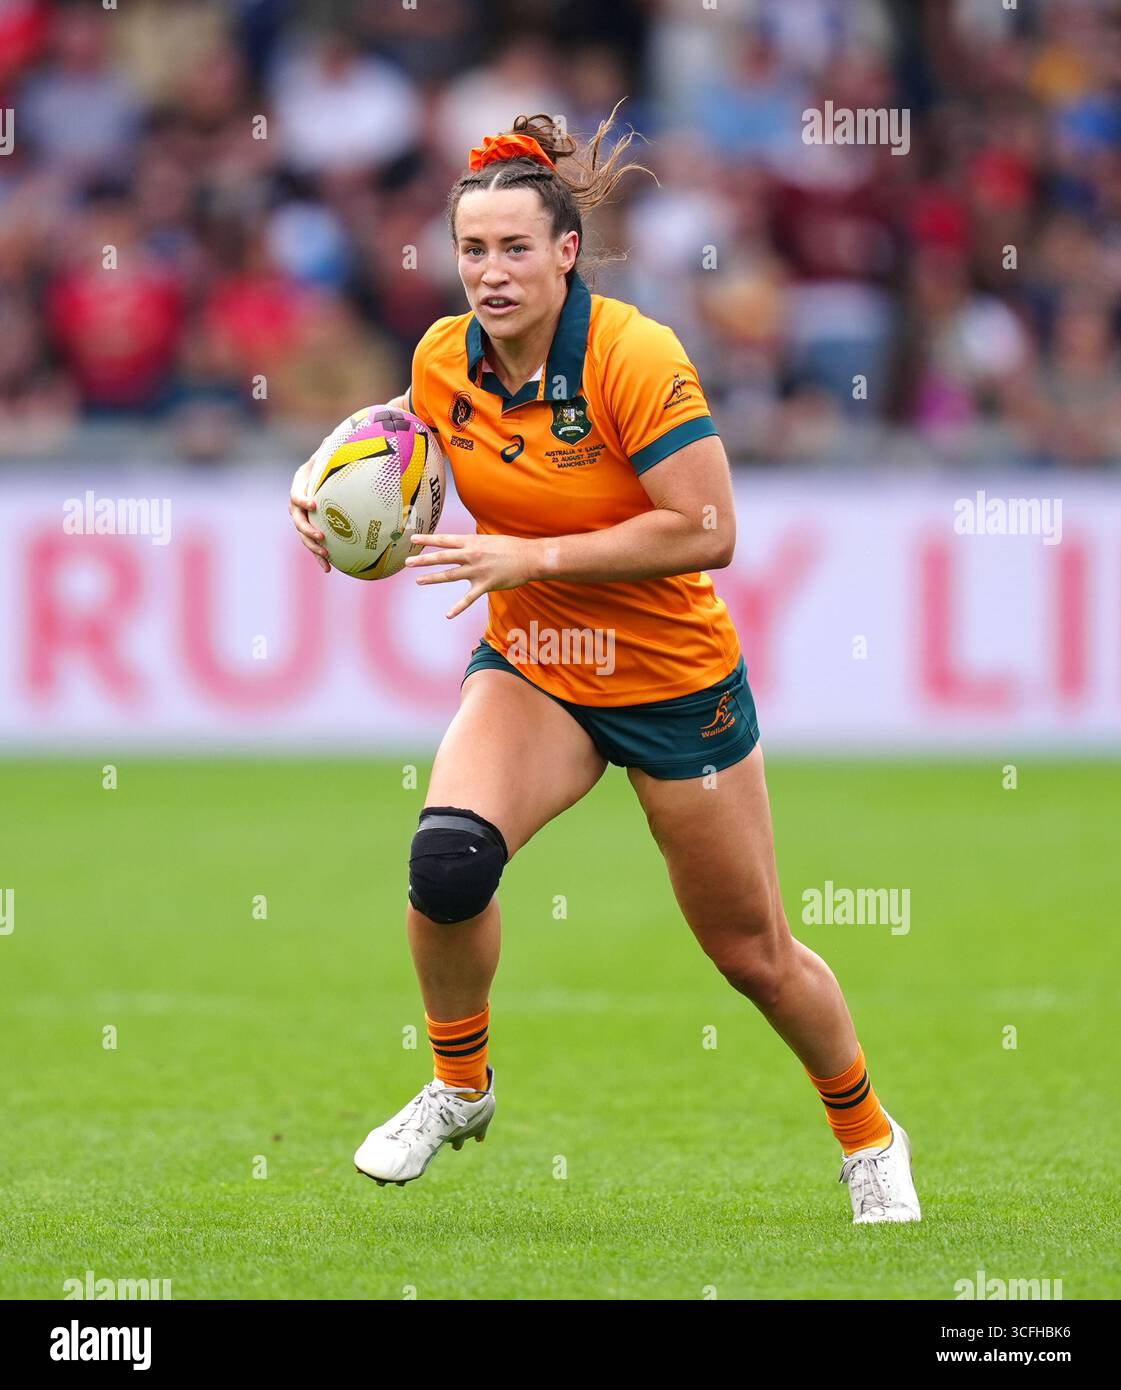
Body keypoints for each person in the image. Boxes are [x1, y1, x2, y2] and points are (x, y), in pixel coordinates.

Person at [288, 108, 920, 1224]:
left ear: (565, 252)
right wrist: (330, 484)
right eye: (471, 251)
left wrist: (528, 551)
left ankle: (866, 1133)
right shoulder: (445, 356)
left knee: (753, 958)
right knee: (445, 862)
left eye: (513, 249)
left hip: (673, 682)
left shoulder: (633, 354)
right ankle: (457, 1084)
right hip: (537, 664)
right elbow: (402, 427)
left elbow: (708, 526)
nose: (489, 273)